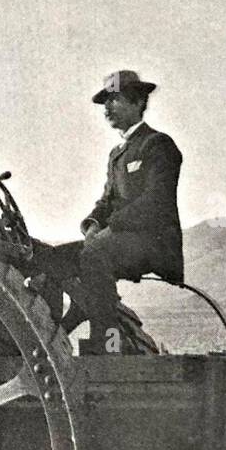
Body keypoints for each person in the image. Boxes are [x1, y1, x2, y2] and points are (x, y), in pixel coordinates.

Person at [34, 70, 184, 353]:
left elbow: (156, 202)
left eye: (114, 100)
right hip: (117, 238)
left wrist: (108, 228)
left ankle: (105, 343)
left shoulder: (159, 145)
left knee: (96, 253)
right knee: (53, 259)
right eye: (106, 101)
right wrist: (92, 225)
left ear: (138, 102)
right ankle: (49, 336)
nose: (107, 107)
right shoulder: (117, 154)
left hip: (153, 243)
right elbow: (106, 200)